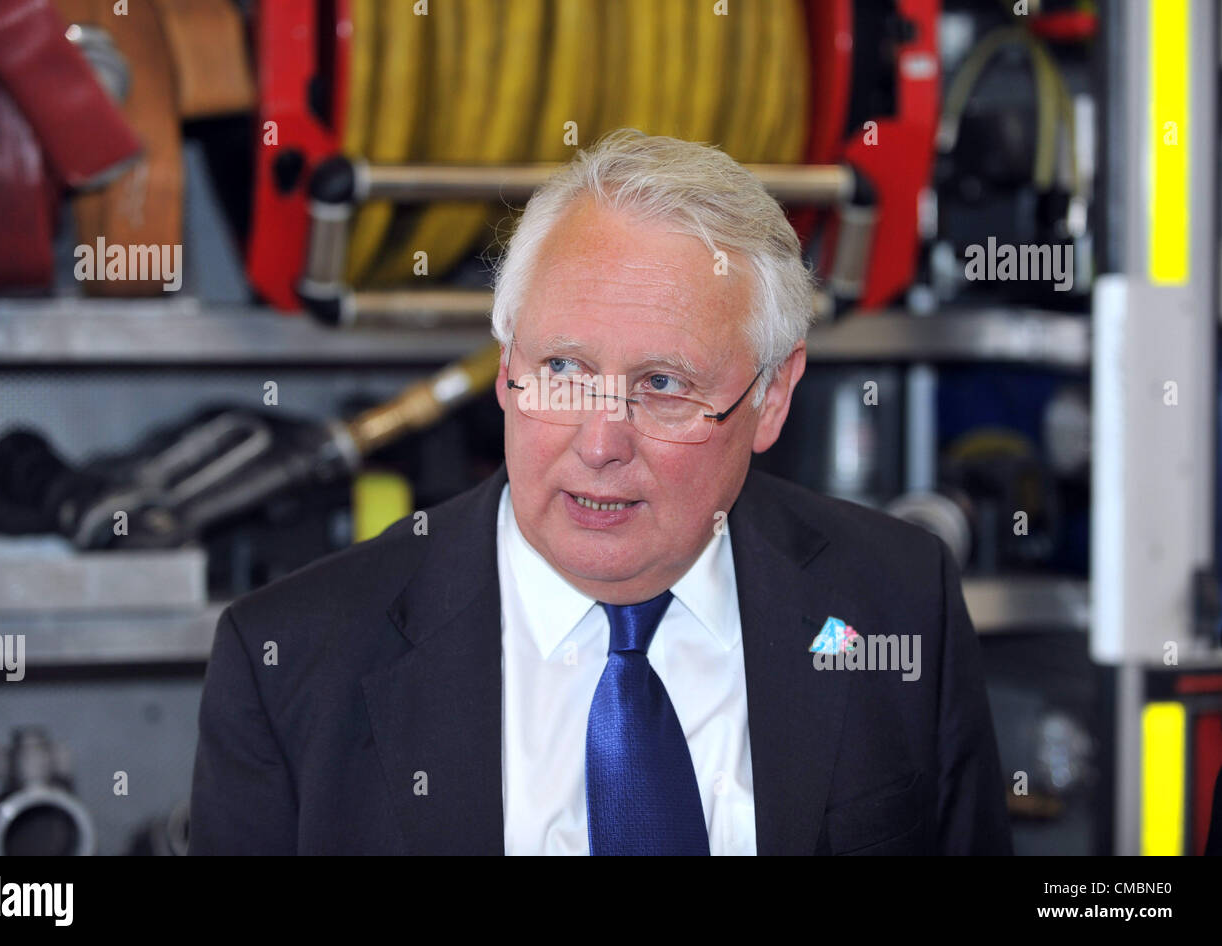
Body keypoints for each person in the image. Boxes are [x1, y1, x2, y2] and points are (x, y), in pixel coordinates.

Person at [189, 129, 1013, 855]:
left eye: (662, 384)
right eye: (564, 370)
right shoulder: (290, 664)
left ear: (772, 397)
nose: (600, 443)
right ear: (507, 366)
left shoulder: (901, 601)